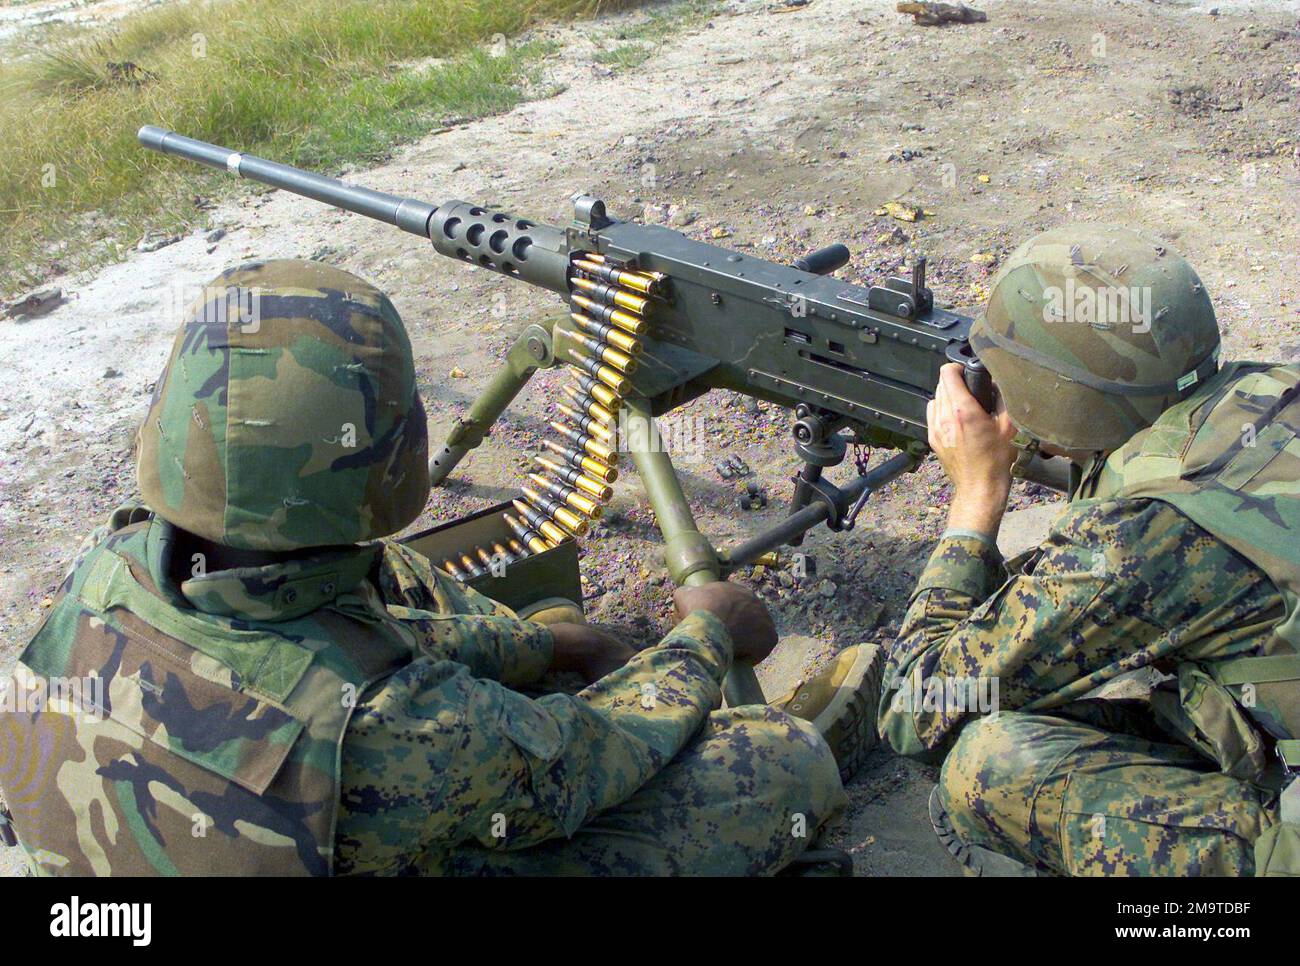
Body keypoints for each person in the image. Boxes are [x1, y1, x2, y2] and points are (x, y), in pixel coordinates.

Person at [0, 259, 877, 877]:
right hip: (424, 788)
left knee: (422, 595)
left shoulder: (111, 567)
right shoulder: (402, 731)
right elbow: (594, 754)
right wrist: (705, 636)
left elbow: (341, 630)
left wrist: (537, 652)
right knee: (779, 765)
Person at [878, 224, 1300, 876]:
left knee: (985, 765)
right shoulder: (1271, 392)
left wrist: (976, 498)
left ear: (1056, 401)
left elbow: (915, 710)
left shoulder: (1143, 536)